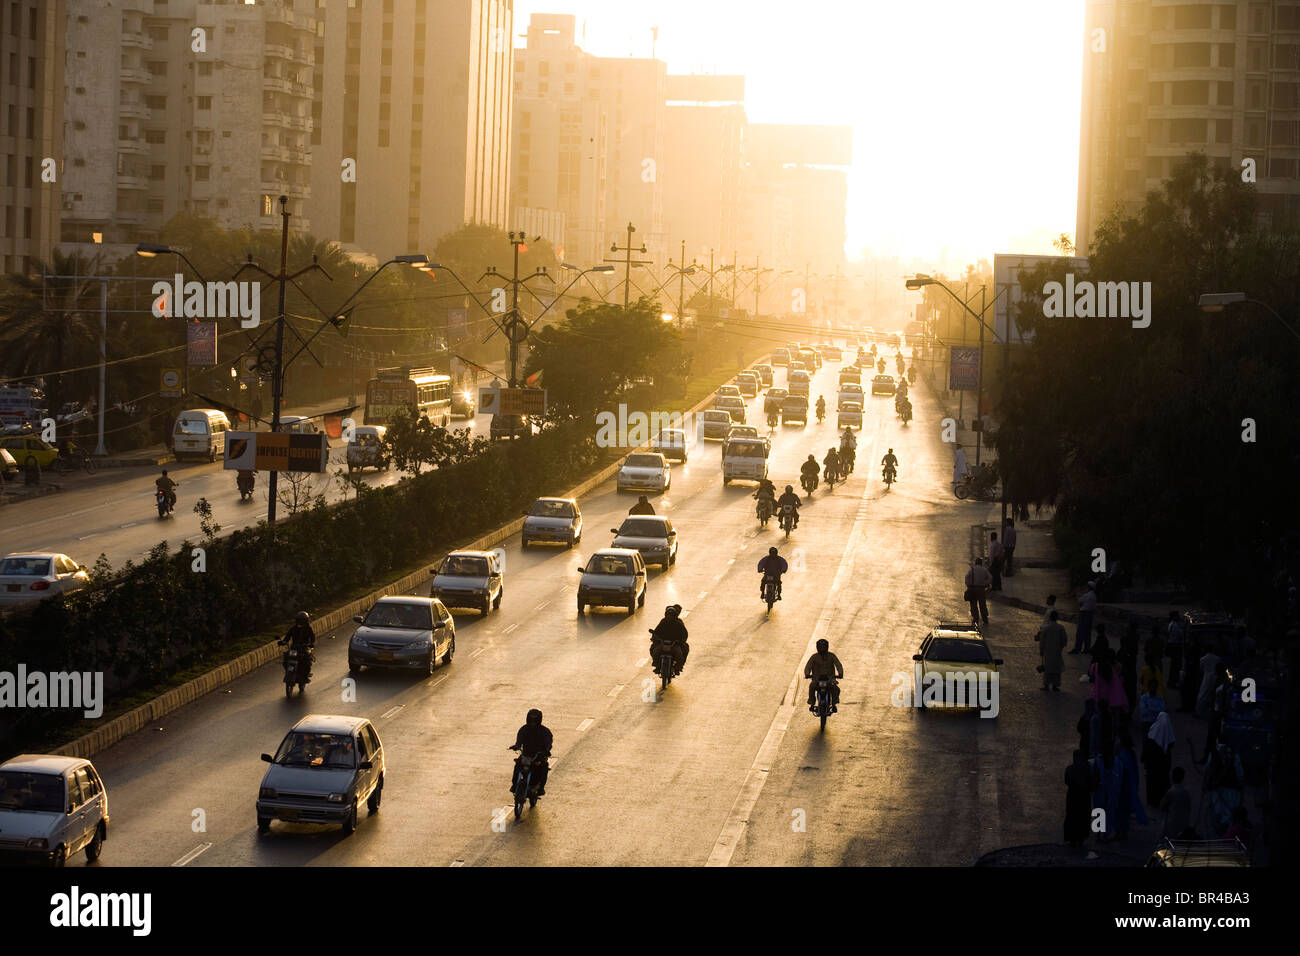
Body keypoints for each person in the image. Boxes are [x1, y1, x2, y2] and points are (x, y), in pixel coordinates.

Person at [508, 709, 553, 796]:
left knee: (543, 768)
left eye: (534, 721)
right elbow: (519, 740)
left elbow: (548, 743)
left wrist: (546, 751)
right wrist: (517, 746)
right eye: (530, 721)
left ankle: (540, 788)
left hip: (539, 755)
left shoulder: (545, 731)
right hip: (526, 755)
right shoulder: (524, 729)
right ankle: (514, 785)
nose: (532, 723)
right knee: (518, 765)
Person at [1064, 749, 1096, 848]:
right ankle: (1080, 839)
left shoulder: (1069, 769)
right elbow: (1091, 784)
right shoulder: (1087, 769)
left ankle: (1072, 838)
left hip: (1073, 797)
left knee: (1072, 817)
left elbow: (1067, 782)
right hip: (1084, 797)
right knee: (1083, 817)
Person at [1143, 711, 1175, 806]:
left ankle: (1153, 801)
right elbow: (1171, 744)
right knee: (1162, 782)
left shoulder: (1152, 731)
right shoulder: (1168, 731)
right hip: (1162, 764)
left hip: (1153, 765)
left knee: (1153, 782)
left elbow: (1146, 747)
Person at [803, 638, 844, 712]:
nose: (822, 649)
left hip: (830, 679)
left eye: (823, 647)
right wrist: (807, 674)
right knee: (812, 687)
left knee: (836, 689)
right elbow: (808, 666)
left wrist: (840, 673)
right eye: (820, 647)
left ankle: (834, 704)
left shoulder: (831, 656)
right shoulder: (814, 657)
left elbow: (838, 665)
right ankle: (812, 703)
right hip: (817, 679)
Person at [649, 604, 689, 676]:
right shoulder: (663, 622)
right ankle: (657, 665)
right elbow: (656, 631)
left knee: (680, 655)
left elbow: (684, 633)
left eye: (671, 615)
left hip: (674, 644)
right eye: (668, 615)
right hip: (663, 643)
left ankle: (678, 667)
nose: (669, 617)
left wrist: (680, 641)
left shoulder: (678, 623)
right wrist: (655, 638)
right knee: (654, 651)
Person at [1159, 766, 1194, 839]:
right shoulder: (1186, 793)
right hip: (1184, 825)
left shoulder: (1171, 792)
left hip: (1172, 827)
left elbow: (1162, 807)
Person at [1038, 609, 1068, 690]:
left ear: (1050, 617)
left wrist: (1041, 650)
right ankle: (1055, 685)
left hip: (1047, 651)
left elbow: (1042, 640)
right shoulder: (1061, 628)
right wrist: (1060, 647)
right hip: (1057, 651)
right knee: (1056, 669)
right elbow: (1064, 640)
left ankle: (1046, 685)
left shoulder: (1046, 628)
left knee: (1047, 668)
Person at [1070, 581, 1097, 654]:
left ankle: (1077, 648)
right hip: (1090, 614)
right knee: (1087, 632)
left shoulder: (1086, 595)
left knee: (1080, 632)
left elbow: (1079, 601)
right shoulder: (1094, 596)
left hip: (1083, 613)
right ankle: (1086, 648)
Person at [964, 558, 991, 625]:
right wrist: (985, 583)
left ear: (975, 563)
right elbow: (990, 578)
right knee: (982, 604)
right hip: (981, 589)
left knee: (973, 604)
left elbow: (967, 578)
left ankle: (975, 618)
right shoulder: (984, 570)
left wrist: (969, 585)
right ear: (981, 563)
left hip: (973, 589)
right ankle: (985, 618)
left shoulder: (972, 570)